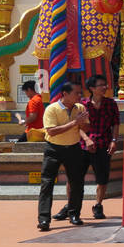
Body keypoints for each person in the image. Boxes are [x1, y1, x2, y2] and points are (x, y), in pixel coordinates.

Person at [37, 81, 89, 231]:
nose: (80, 96)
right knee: (47, 183)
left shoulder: (80, 108)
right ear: (65, 94)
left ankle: (74, 214)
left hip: (73, 148)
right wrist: (75, 122)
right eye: (76, 93)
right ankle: (44, 219)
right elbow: (52, 131)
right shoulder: (51, 109)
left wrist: (83, 122)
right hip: (53, 149)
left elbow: (86, 127)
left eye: (80, 93)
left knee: (77, 182)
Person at [81, 73, 119, 219]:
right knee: (75, 177)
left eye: (105, 85)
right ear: (91, 88)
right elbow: (76, 125)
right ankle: (71, 205)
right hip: (83, 146)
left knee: (102, 178)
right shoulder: (82, 105)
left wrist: (114, 140)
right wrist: (86, 139)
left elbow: (116, 123)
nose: (104, 87)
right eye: (101, 85)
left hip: (103, 144)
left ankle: (98, 205)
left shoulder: (110, 103)